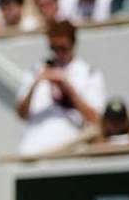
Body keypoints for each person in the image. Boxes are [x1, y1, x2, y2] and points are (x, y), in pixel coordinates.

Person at [16, 20, 106, 156]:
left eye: (63, 48)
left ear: (73, 45)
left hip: (69, 145)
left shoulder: (89, 73)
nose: (58, 53)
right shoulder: (35, 70)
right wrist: (36, 84)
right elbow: (21, 114)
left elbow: (95, 118)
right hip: (33, 145)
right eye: (53, 48)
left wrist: (67, 87)